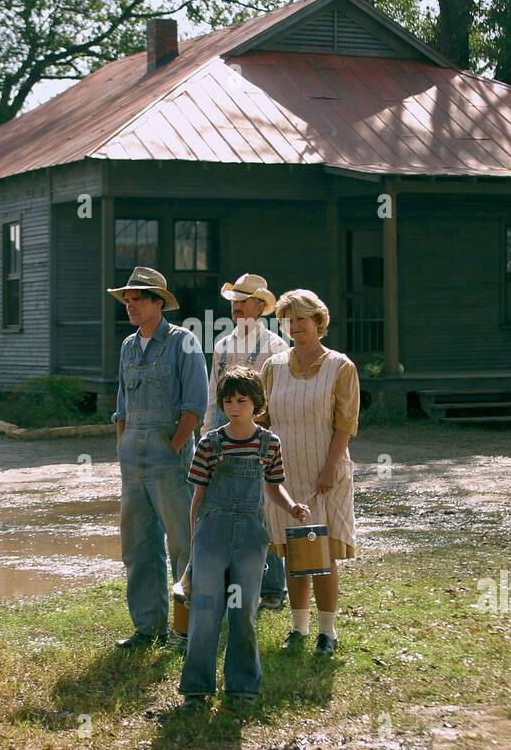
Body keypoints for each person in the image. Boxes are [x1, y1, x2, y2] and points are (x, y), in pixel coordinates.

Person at [179, 365, 309, 708]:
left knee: (243, 612)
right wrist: (195, 547)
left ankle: (242, 688)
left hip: (251, 539)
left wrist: (293, 506)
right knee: (205, 612)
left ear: (257, 403)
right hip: (212, 536)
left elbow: (274, 486)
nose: (234, 406)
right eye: (228, 400)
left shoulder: (269, 443)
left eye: (241, 400)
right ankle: (196, 688)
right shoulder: (210, 443)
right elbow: (198, 497)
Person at [108, 266, 208, 651]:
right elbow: (121, 407)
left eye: (137, 299)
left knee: (183, 542)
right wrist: (123, 446)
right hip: (133, 459)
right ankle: (147, 628)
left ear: (158, 303)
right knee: (138, 545)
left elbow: (195, 405)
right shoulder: (128, 347)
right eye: (127, 300)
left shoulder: (183, 342)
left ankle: (188, 629)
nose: (130, 306)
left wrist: (174, 444)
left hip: (171, 458)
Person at [259, 289, 359, 657]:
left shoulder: (340, 366)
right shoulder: (273, 366)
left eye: (302, 318)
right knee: (294, 552)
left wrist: (330, 468)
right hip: (286, 474)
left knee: (322, 555)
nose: (294, 326)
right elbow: (264, 419)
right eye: (287, 319)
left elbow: (345, 423)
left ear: (319, 322)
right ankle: (298, 628)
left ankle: (327, 633)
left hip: (325, 472)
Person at [201, 273, 290, 612]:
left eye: (244, 300)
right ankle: (231, 582)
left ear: (260, 306)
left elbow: (277, 398)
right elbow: (213, 392)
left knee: (262, 506)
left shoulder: (276, 347)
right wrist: (207, 433)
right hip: (225, 430)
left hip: (259, 430)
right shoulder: (223, 345)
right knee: (225, 503)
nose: (237, 305)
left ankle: (271, 587)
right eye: (234, 300)